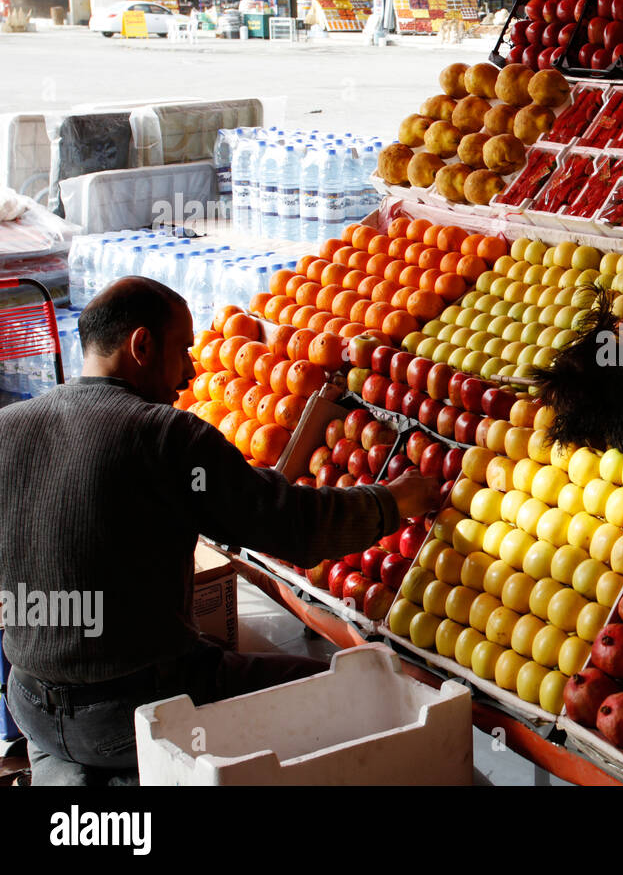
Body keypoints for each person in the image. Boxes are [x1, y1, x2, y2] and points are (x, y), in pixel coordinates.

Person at [0, 277, 440, 785]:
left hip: (30, 704)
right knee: (348, 690)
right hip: (134, 710)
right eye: (183, 350)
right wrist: (392, 500)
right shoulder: (164, 434)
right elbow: (292, 526)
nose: (189, 374)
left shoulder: (10, 427)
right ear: (142, 345)